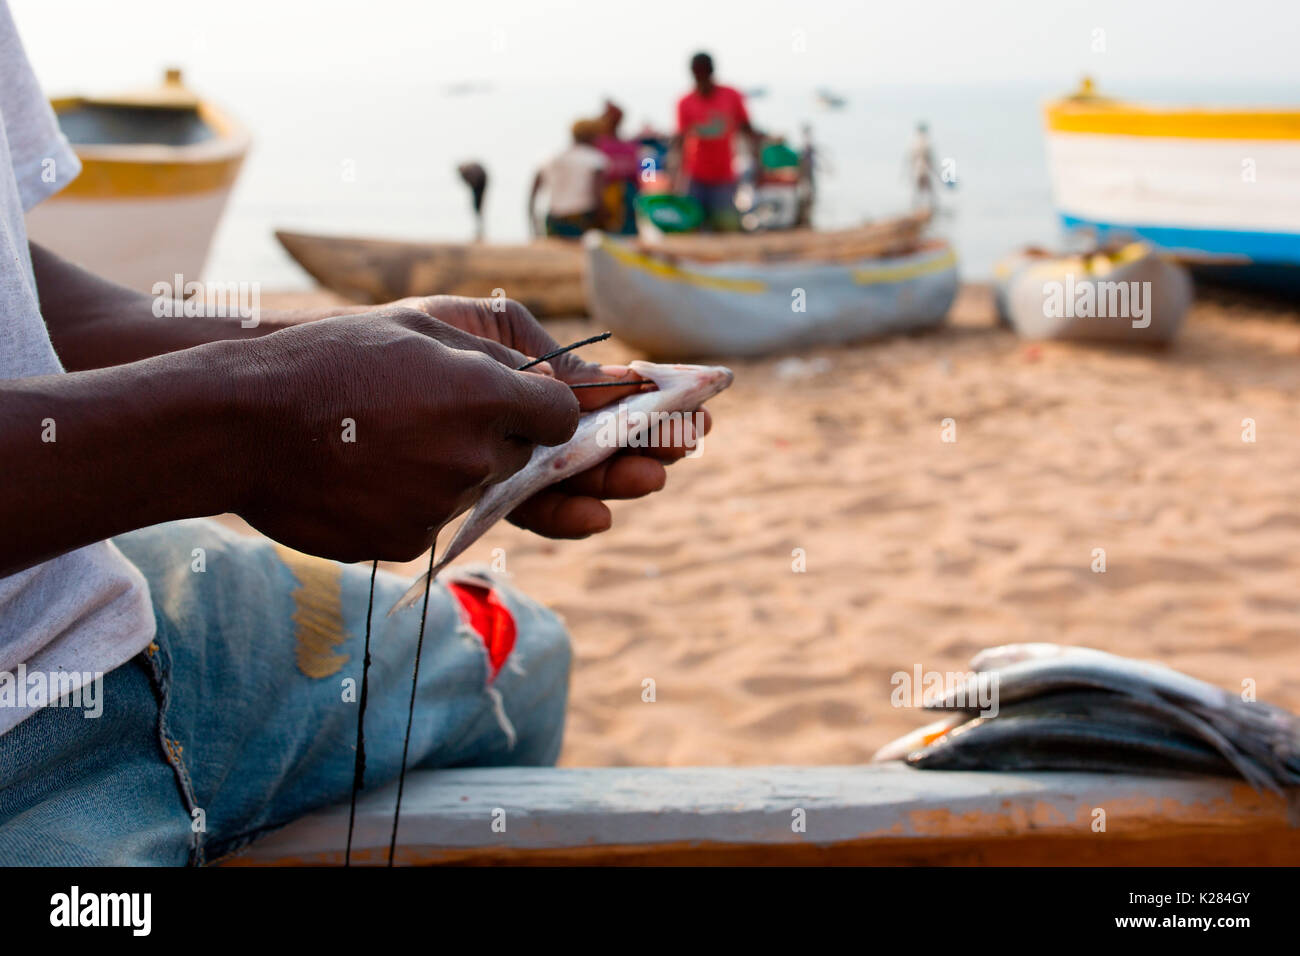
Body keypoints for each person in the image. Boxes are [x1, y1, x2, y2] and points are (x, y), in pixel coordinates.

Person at [0, 2, 710, 865]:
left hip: (78, 583)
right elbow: (229, 420)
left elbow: (28, 305)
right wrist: (244, 428)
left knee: (528, 655)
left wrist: (341, 351)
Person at [672, 51, 759, 232]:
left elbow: (748, 130)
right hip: (695, 176)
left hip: (724, 176)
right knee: (691, 227)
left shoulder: (731, 96)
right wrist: (675, 178)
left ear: (711, 73)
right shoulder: (685, 102)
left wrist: (758, 163)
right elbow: (679, 142)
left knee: (726, 226)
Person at [528, 118, 608, 238]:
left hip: (553, 220)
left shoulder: (550, 158)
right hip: (583, 220)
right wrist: (603, 224)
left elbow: (533, 194)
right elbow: (597, 195)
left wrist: (533, 225)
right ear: (593, 136)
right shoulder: (595, 160)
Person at [593, 100, 641, 235]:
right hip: (606, 195)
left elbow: (642, 171)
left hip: (627, 195)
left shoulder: (629, 145)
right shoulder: (598, 144)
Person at [908, 121, 938, 212]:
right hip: (923, 170)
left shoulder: (915, 143)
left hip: (919, 170)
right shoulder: (924, 142)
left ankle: (918, 207)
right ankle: (926, 207)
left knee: (920, 190)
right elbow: (928, 158)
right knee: (927, 189)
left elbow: (911, 159)